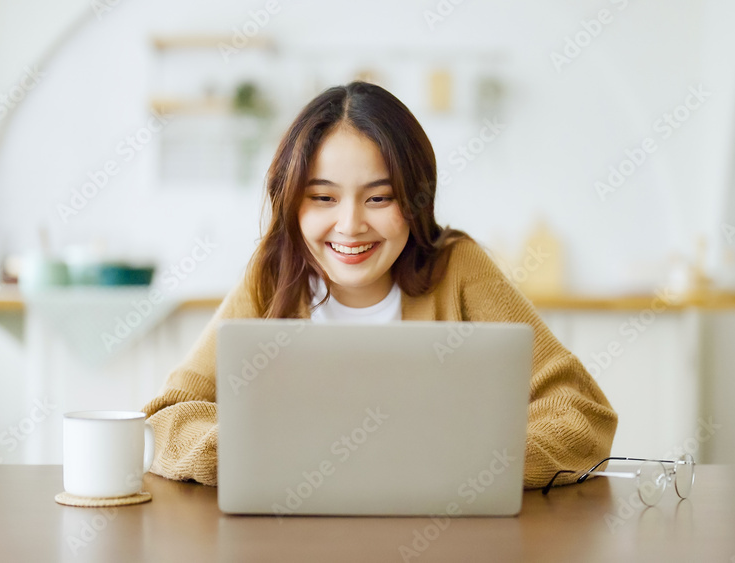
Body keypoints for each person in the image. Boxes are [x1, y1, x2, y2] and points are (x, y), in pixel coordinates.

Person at [141, 81, 617, 489]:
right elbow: (168, 417)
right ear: (292, 203)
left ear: (415, 200)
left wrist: (469, 462)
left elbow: (583, 415)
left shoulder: (459, 270)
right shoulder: (272, 278)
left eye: (379, 198)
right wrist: (259, 453)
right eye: (323, 197)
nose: (350, 226)